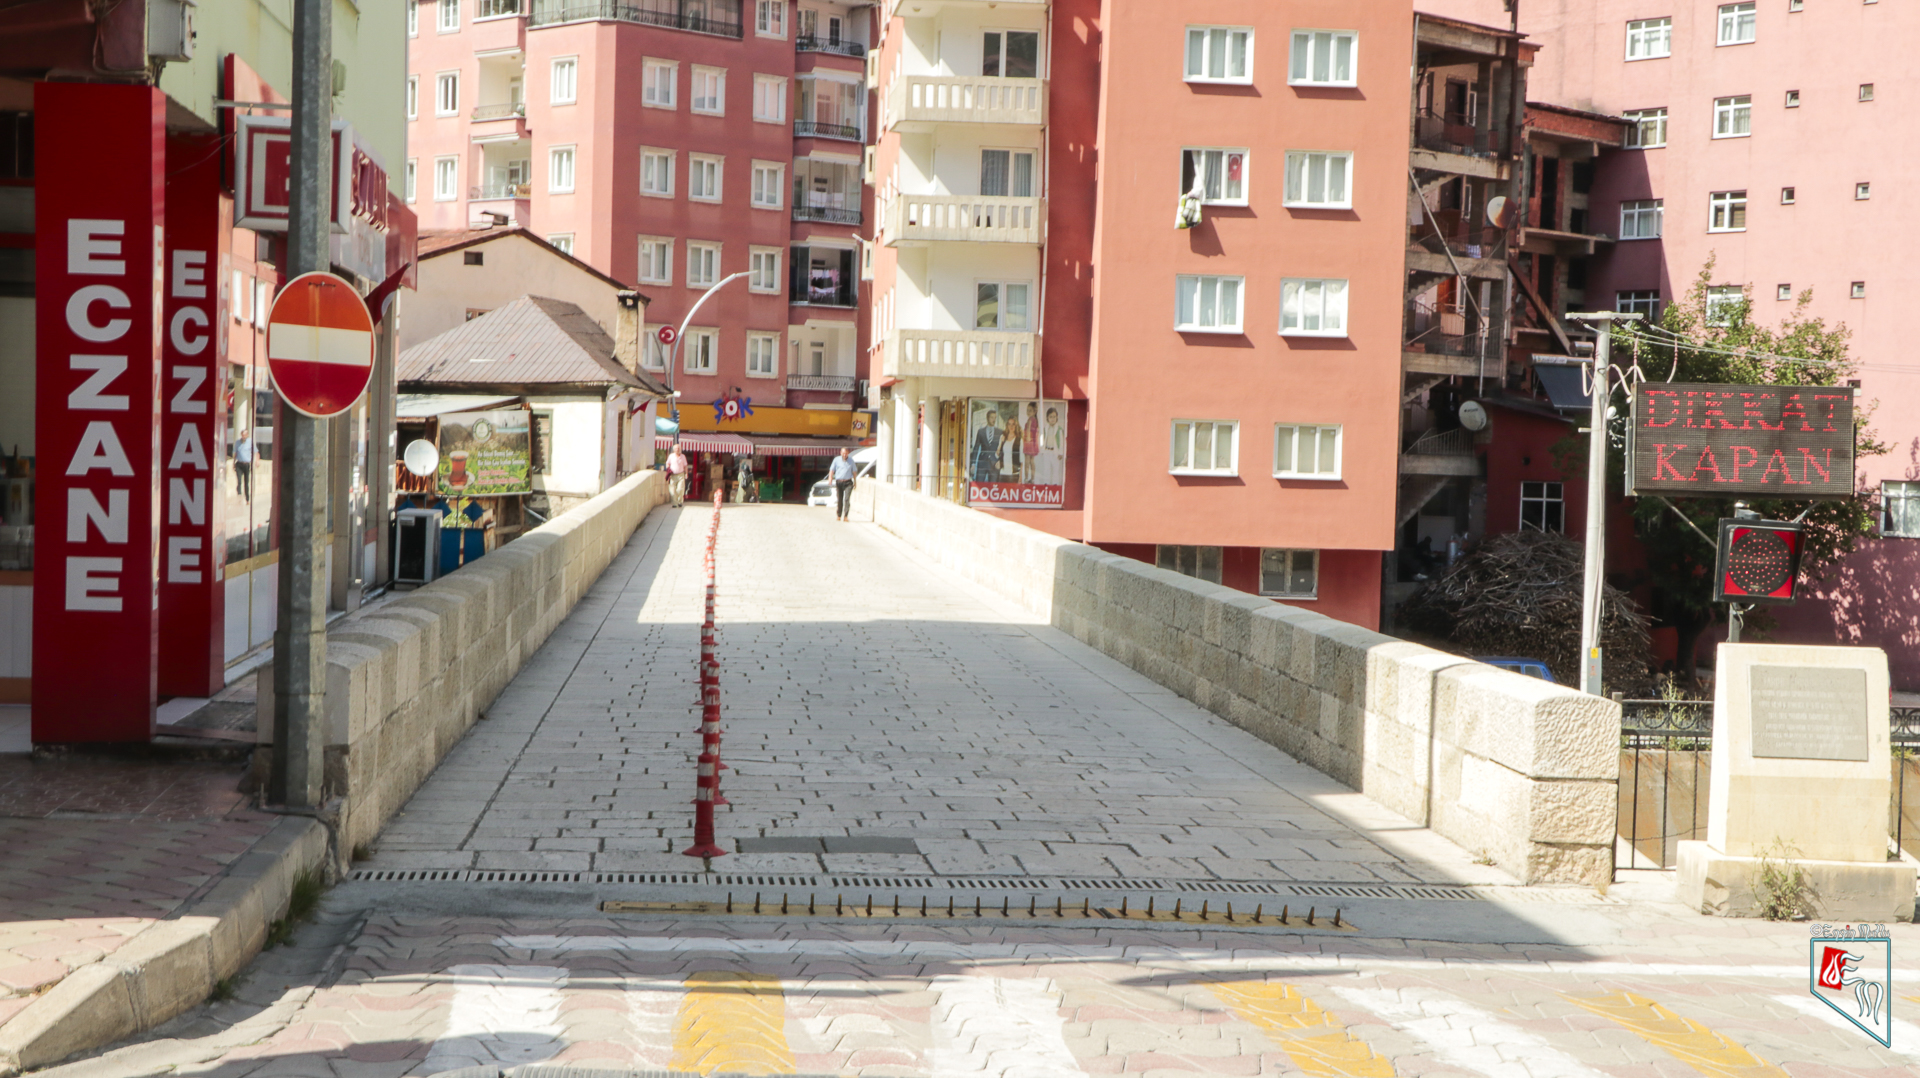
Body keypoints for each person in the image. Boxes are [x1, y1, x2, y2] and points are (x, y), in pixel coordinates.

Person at [968, 408, 1002, 483]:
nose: (994, 420)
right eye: (992, 417)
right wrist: (973, 463)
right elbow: (976, 447)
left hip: (994, 463)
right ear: (987, 418)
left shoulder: (999, 432)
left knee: (993, 486)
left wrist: (1000, 460)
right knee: (979, 483)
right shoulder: (981, 432)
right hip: (982, 462)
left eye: (995, 418)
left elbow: (1003, 448)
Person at [826, 446, 858, 521]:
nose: (844, 455)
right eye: (843, 453)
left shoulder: (851, 461)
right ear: (840, 453)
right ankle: (839, 515)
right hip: (839, 482)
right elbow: (832, 470)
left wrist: (855, 481)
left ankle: (846, 516)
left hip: (848, 482)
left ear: (848, 453)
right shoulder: (836, 460)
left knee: (847, 499)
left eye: (846, 453)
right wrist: (830, 478)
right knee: (840, 499)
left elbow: (854, 471)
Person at [1021, 402, 1041, 484]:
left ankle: (1026, 478)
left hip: (1029, 442)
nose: (1028, 412)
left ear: (1034, 411)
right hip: (1033, 442)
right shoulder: (1035, 420)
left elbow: (1028, 429)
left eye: (1030, 410)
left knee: (1027, 461)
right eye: (1027, 410)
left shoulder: (1030, 419)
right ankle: (1032, 479)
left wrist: (1027, 438)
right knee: (1032, 461)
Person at [234, 431, 254, 501]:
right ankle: (239, 495)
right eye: (242, 435)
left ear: (247, 435)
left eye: (245, 435)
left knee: (246, 482)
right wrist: (233, 463)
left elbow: (255, 451)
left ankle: (247, 498)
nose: (243, 436)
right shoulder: (237, 443)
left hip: (246, 464)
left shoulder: (250, 442)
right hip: (239, 464)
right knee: (239, 481)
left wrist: (256, 461)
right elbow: (235, 453)